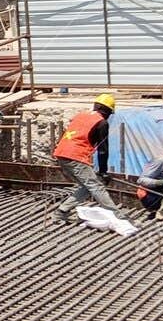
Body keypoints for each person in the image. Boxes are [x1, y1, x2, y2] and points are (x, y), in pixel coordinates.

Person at [51, 93, 119, 224]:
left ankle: (61, 212)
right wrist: (103, 172)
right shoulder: (102, 123)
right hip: (76, 156)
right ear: (108, 111)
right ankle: (118, 216)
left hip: (61, 153)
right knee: (96, 186)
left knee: (87, 186)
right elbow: (103, 150)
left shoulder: (81, 115)